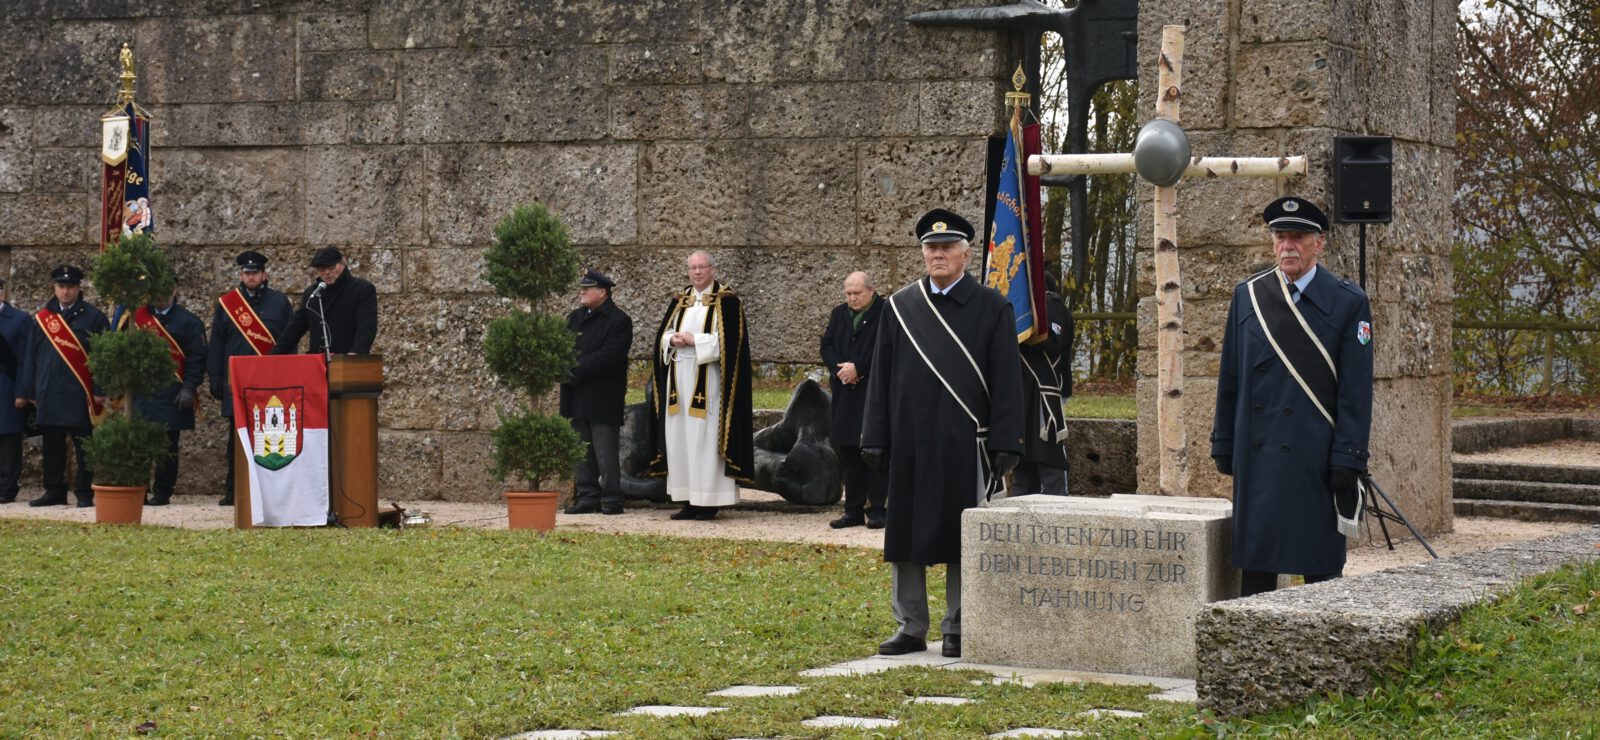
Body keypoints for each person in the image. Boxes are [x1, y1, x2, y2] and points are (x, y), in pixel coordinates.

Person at [860, 208, 1026, 659]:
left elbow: (1007, 380)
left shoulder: (993, 307)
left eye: (947, 247)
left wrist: (1007, 442)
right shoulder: (900, 306)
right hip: (910, 440)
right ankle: (910, 625)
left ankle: (959, 623)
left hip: (964, 441)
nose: (938, 254)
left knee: (960, 534)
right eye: (931, 248)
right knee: (904, 537)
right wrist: (874, 434)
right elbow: (881, 376)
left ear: (965, 254)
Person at [1210, 196, 1374, 597]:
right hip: (1258, 455)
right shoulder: (1247, 296)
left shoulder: (1349, 302)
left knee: (1319, 569)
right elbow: (1230, 375)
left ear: (1319, 243)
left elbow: (1356, 390)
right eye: (1280, 236)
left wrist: (1348, 457)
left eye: (1298, 237)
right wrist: (1224, 440)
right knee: (1258, 570)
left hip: (1315, 459)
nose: (1288, 245)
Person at [645, 250, 754, 521]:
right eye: (692, 268)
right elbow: (662, 335)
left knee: (703, 439)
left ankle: (708, 500)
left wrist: (696, 341)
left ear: (712, 270)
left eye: (701, 267)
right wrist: (672, 340)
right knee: (680, 436)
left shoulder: (726, 302)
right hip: (678, 379)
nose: (696, 272)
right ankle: (688, 499)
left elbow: (731, 344)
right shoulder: (681, 299)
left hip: (708, 380)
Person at [209, 250, 295, 505]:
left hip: (271, 380)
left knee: (271, 436)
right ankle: (234, 491)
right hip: (237, 381)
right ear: (241, 275)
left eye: (255, 272)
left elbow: (289, 342)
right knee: (236, 438)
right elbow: (217, 343)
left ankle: (270, 491)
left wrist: (291, 373)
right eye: (247, 273)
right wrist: (214, 375)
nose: (251, 277)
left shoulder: (280, 303)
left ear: (264, 274)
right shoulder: (227, 304)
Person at [19, 265, 109, 507]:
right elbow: (31, 356)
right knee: (52, 446)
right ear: (54, 287)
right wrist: (30, 391)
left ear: (79, 288)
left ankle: (84, 493)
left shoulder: (94, 317)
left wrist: (100, 390)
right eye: (61, 286)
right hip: (49, 391)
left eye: (70, 287)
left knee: (84, 447)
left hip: (81, 392)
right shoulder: (43, 318)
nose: (65, 292)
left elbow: (104, 357)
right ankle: (54, 490)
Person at [559, 269, 634, 516]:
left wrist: (574, 369)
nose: (581, 292)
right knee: (580, 450)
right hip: (575, 393)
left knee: (605, 451)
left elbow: (609, 357)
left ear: (602, 292)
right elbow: (562, 348)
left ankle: (612, 499)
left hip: (602, 395)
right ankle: (587, 496)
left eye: (587, 289)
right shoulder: (574, 318)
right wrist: (564, 368)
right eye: (581, 288)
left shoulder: (619, 320)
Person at [820, 270, 887, 529]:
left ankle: (878, 508)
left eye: (857, 293)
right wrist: (841, 370)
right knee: (848, 451)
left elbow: (884, 348)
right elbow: (826, 346)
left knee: (874, 450)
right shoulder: (839, 314)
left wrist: (859, 367)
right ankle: (853, 509)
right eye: (848, 293)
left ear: (870, 290)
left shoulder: (884, 312)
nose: (852, 299)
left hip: (872, 393)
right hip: (845, 392)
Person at [131, 287, 206, 506]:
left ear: (174, 290)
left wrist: (189, 388)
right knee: (140, 446)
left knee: (167, 446)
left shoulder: (189, 321)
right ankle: (139, 490)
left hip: (172, 393)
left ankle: (163, 492)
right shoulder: (137, 318)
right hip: (142, 391)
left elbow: (196, 359)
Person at [1012, 272, 1074, 495]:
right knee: (1022, 467)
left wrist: (1020, 333)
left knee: (1050, 465)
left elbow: (1052, 342)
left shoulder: (1051, 303)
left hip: (1043, 397)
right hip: (1023, 393)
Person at [274, 247, 378, 355]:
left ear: (342, 264)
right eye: (322, 269)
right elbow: (294, 328)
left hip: (345, 361)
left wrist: (356, 353)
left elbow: (366, 327)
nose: (327, 272)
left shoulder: (361, 289)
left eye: (331, 267)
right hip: (317, 363)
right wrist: (272, 356)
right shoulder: (311, 293)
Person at [0, 280, 31, 504]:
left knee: (8, 437)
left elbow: (24, 360)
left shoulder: (20, 320)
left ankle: (7, 488)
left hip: (7, 385)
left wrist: (22, 391)